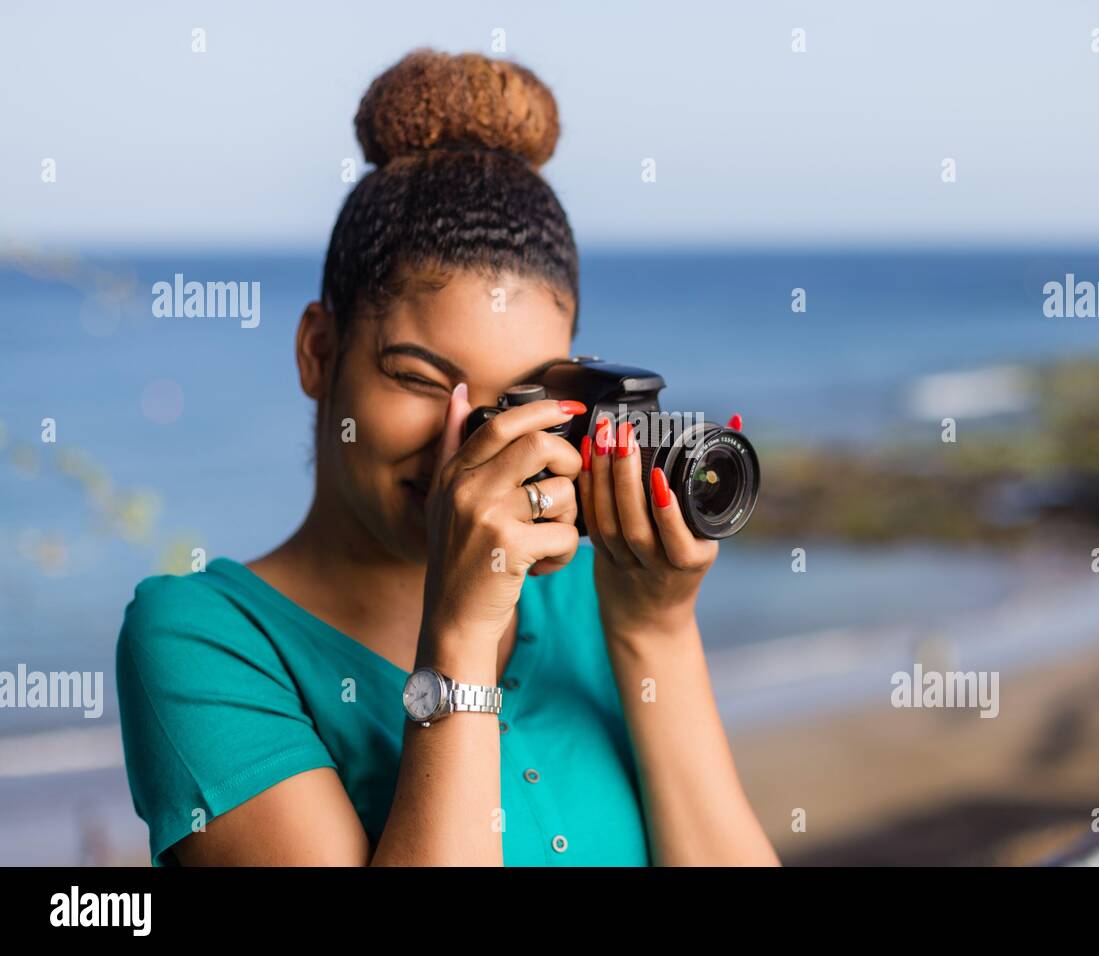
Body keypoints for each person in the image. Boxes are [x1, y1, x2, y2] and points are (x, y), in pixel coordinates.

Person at [115, 49, 779, 866]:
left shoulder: (588, 591)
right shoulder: (204, 642)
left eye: (521, 401)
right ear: (319, 352)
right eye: (420, 380)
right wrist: (459, 636)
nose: (472, 445)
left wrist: (658, 630)